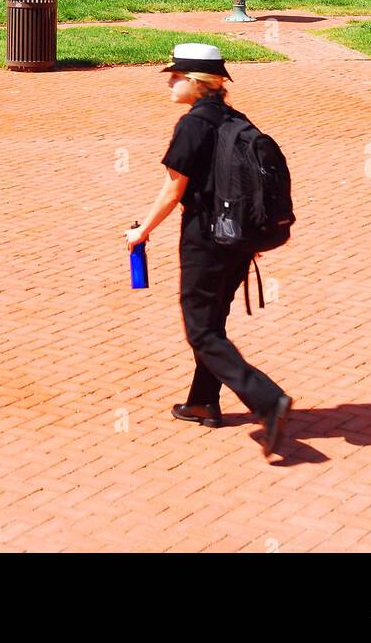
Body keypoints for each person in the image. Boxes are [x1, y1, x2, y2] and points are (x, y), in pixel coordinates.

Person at [126, 43, 292, 456]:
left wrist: (142, 231)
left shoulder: (192, 125)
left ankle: (267, 399)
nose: (170, 81)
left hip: (205, 238)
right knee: (213, 323)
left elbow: (174, 188)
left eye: (177, 75)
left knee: (200, 330)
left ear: (197, 83)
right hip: (237, 238)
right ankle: (203, 402)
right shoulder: (235, 118)